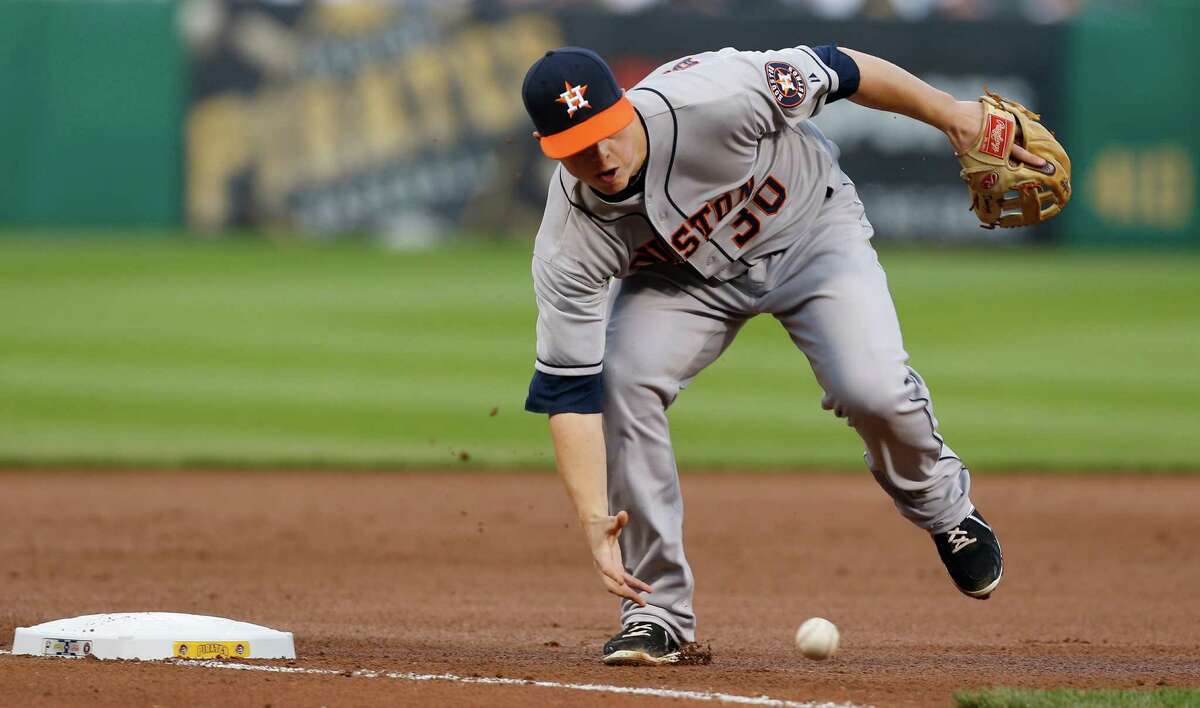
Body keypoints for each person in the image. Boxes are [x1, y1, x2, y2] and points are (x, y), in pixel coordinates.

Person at [521, 44, 1033, 666]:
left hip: (811, 233)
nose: (600, 156)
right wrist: (592, 517)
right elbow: (571, 392)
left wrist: (953, 114)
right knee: (622, 381)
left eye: (606, 131)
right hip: (685, 286)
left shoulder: (717, 97)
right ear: (546, 145)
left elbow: (844, 68)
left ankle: (945, 509)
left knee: (870, 388)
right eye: (576, 146)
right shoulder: (568, 239)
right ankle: (655, 609)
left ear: (625, 104)